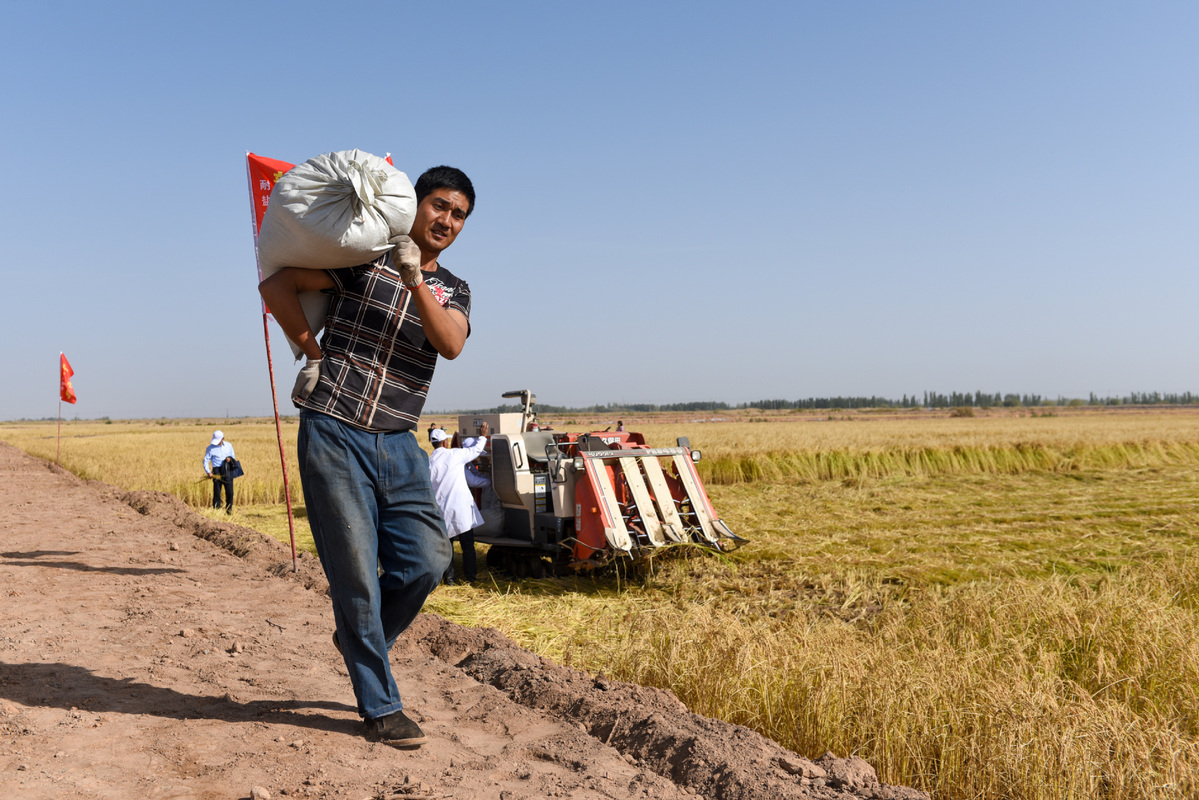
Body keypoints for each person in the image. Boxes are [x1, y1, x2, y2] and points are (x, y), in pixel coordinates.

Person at [258, 166, 476, 749]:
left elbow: (449, 343)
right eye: (439, 206)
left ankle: (362, 635)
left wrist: (415, 282)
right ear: (416, 206)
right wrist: (310, 352)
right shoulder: (362, 263)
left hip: (399, 441)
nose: (446, 221)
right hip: (334, 430)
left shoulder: (454, 289)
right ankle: (380, 709)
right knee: (356, 575)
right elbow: (275, 285)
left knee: (428, 559)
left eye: (458, 215)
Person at [427, 423, 489, 584]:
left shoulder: (429, 462)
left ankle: (449, 579)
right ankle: (471, 578)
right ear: (445, 442)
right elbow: (475, 451)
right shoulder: (454, 455)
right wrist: (482, 435)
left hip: (442, 511)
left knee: (448, 548)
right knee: (468, 546)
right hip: (461, 509)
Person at [202, 430, 236, 513]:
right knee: (217, 492)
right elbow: (205, 460)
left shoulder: (229, 446)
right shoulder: (210, 448)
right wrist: (208, 472)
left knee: (230, 492)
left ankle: (229, 510)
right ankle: (216, 511)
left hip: (227, 470)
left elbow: (233, 457)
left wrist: (229, 459)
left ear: (223, 439)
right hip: (216, 471)